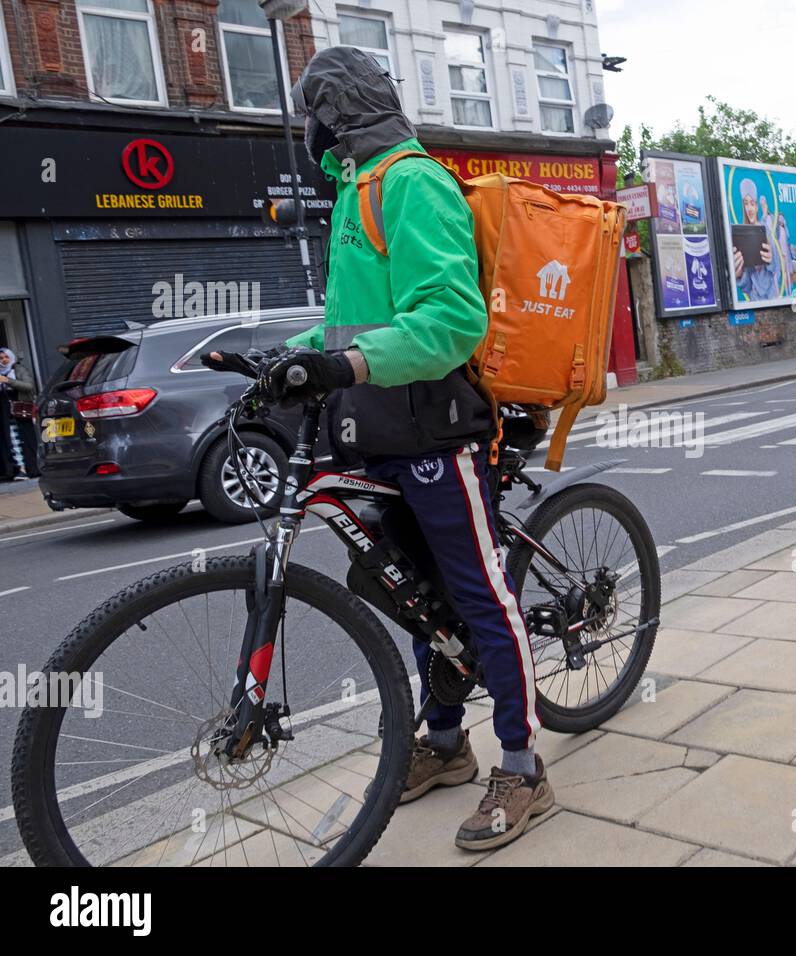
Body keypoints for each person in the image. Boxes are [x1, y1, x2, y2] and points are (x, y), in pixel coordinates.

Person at [203, 46, 550, 852]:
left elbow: (450, 321)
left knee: (480, 598)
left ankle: (526, 766)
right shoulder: (356, 188)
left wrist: (342, 364)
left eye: (313, 110)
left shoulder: (412, 182)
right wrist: (285, 359)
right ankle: (444, 744)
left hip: (433, 429)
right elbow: (350, 328)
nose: (307, 128)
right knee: (420, 601)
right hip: (373, 431)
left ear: (338, 110)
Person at [731, 178, 781, 300]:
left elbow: (777, 267)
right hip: (754, 298)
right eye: (746, 204)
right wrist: (738, 273)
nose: (749, 208)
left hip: (771, 295)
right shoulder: (741, 235)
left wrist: (770, 260)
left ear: (757, 207)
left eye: (752, 203)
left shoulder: (764, 230)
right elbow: (746, 286)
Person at [0, 347, 37, 482]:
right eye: (1, 358)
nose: (4, 360)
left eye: (6, 357)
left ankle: (33, 468)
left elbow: (28, 386)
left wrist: (8, 381)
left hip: (21, 408)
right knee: (13, 440)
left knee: (27, 438)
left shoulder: (18, 369)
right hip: (7, 412)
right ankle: (21, 469)